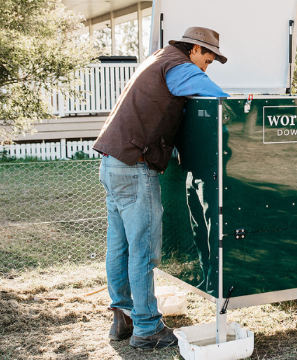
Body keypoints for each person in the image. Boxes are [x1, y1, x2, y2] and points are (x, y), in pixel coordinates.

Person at [92, 27, 229, 350]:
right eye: (206, 61)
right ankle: (147, 328)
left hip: (112, 163)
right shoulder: (179, 67)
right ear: (194, 49)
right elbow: (219, 97)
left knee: (120, 246)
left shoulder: (156, 60)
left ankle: (123, 315)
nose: (204, 68)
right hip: (134, 169)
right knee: (142, 250)